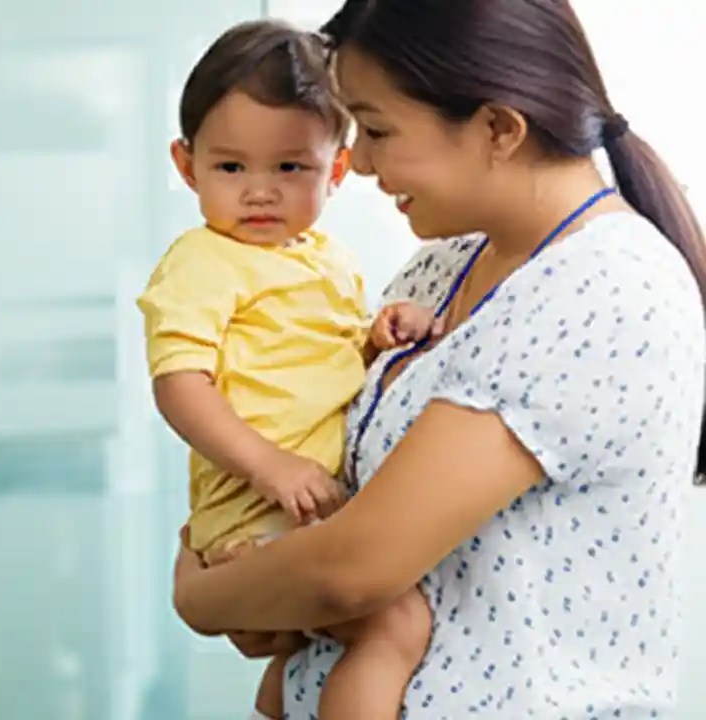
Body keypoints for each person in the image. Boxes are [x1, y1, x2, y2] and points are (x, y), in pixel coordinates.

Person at [171, 1, 706, 718]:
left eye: (379, 130)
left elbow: (352, 568)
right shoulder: (440, 271)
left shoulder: (603, 286)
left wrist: (199, 595)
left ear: (497, 128)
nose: (358, 163)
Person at [138, 20, 435, 720]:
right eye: (231, 168)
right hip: (258, 514)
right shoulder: (202, 260)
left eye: (290, 168)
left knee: (306, 655)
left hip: (304, 509)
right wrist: (270, 466)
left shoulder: (330, 260)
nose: (260, 192)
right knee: (396, 626)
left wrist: (377, 339)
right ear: (187, 167)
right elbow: (179, 384)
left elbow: (320, 370)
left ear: (336, 170)